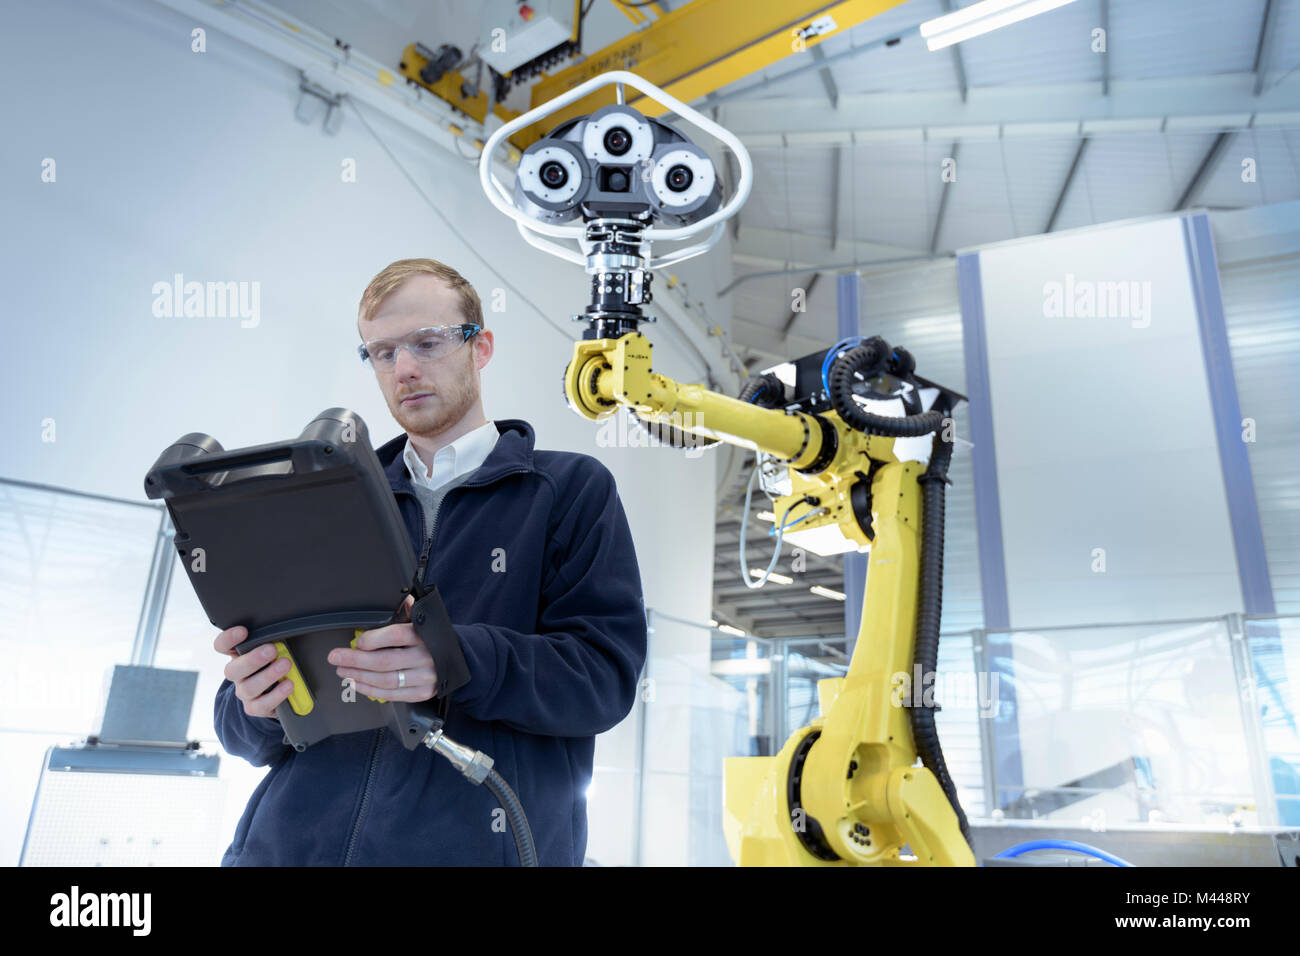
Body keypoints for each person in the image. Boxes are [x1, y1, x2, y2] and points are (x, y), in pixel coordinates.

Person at [212, 257, 648, 865]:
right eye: (382, 353)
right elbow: (244, 737)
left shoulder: (568, 490)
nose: (405, 369)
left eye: (427, 342)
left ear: (481, 347)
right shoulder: (323, 504)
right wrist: (250, 704)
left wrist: (456, 660)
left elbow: (603, 681)